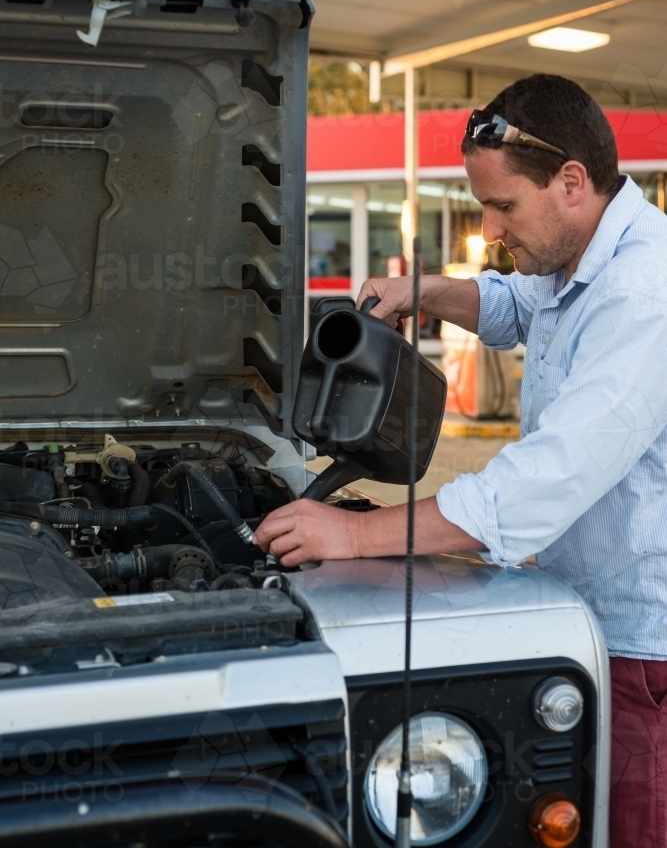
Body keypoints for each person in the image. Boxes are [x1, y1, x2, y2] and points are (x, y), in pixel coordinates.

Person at [254, 73, 667, 848]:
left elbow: (540, 486)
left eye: (501, 206)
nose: (488, 229)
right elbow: (517, 307)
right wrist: (423, 291)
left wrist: (355, 535)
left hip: (644, 656)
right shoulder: (577, 258)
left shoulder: (643, 294)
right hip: (592, 615)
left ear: (571, 182)